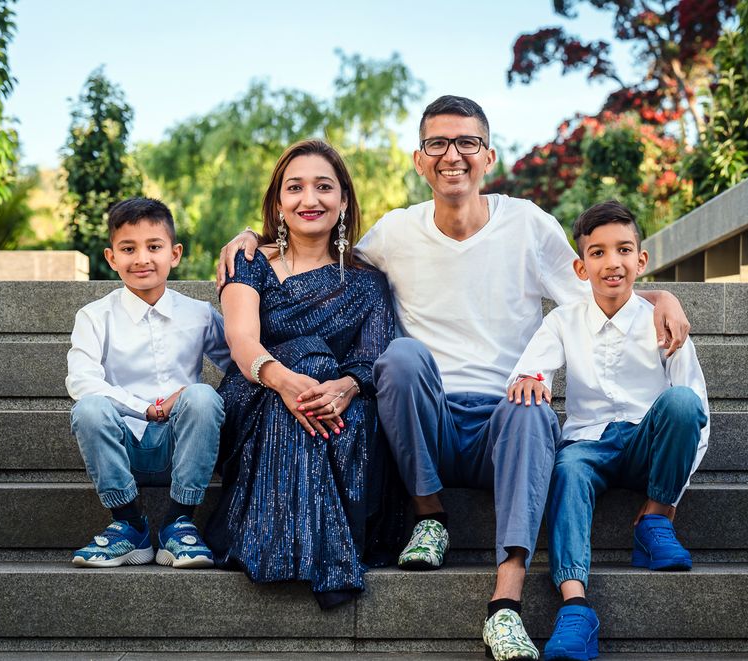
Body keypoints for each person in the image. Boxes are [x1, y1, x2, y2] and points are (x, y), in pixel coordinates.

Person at [218, 97, 691, 658]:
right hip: (430, 419)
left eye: (467, 142)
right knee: (401, 358)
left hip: (504, 421)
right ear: (420, 161)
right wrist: (252, 237)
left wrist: (661, 295)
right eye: (438, 144)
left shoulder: (528, 224)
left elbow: (598, 292)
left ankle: (506, 604)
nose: (453, 156)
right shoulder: (395, 233)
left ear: (488, 155)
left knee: (534, 406)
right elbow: (319, 247)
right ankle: (430, 517)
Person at [507, 200, 709, 661]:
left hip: (646, 444)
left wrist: (671, 498)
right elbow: (531, 372)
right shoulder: (562, 320)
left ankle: (654, 521)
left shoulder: (664, 322)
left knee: (681, 403)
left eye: (623, 250)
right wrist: (530, 380)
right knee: (568, 468)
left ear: (641, 260)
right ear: (581, 267)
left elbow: (697, 411)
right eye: (597, 253)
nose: (611, 262)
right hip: (589, 445)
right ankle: (576, 607)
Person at [204, 139, 399, 610]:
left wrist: (345, 387)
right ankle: (325, 555)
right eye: (295, 188)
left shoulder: (367, 282)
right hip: (255, 395)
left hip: (335, 405)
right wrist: (287, 379)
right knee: (308, 358)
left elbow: (371, 360)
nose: (309, 200)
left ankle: (283, 544)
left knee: (337, 390)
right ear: (277, 202)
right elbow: (242, 342)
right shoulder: (248, 263)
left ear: (344, 201)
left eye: (323, 188)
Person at [66, 197, 230, 569]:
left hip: (182, 444)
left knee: (203, 397)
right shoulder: (94, 316)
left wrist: (193, 397)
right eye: (128, 249)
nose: (141, 259)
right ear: (111, 258)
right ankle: (128, 524)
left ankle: (179, 522)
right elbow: (81, 379)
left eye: (153, 247)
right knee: (88, 408)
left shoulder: (199, 314)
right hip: (124, 444)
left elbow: (240, 365)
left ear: (174, 254)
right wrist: (146, 408)